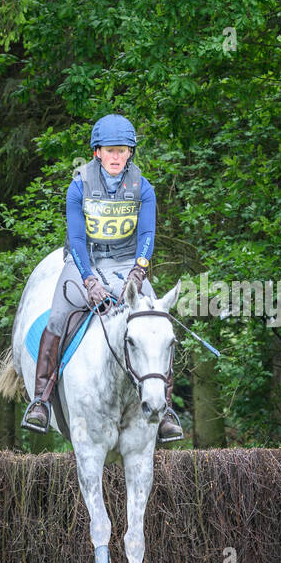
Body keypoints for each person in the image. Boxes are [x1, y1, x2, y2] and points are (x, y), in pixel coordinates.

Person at [22, 113, 184, 442]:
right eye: (109, 150)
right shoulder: (79, 185)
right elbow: (77, 241)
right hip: (85, 263)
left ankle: (164, 409)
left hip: (126, 264)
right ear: (97, 151)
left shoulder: (144, 188)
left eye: (122, 151)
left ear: (130, 153)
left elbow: (148, 235)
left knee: (155, 320)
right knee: (59, 316)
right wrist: (89, 280)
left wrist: (140, 268)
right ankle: (41, 401)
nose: (115, 157)